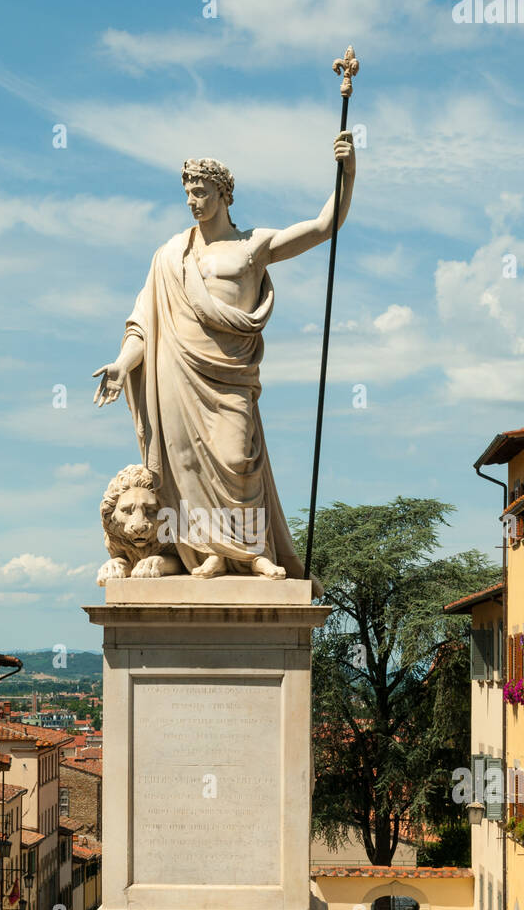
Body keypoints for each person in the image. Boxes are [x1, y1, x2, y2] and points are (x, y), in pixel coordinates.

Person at [92, 133, 355, 581]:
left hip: (230, 379)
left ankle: (252, 552)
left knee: (237, 459)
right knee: (185, 467)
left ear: (223, 193)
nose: (193, 201)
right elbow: (144, 323)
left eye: (202, 192)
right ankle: (208, 551)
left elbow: (324, 225)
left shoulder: (252, 247)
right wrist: (123, 363)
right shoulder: (170, 256)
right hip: (178, 373)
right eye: (188, 193)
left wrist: (347, 172)